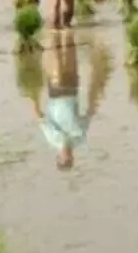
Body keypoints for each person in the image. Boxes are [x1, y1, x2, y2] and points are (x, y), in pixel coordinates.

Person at [31, 33, 106, 170]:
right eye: (70, 160)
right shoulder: (79, 138)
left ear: (58, 157)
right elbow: (90, 112)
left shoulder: (53, 139)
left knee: (58, 56)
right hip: (72, 89)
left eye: (65, 159)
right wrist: (97, 85)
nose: (68, 157)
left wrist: (33, 93)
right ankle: (66, 28)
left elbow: (39, 116)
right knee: (70, 50)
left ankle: (52, 31)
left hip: (56, 91)